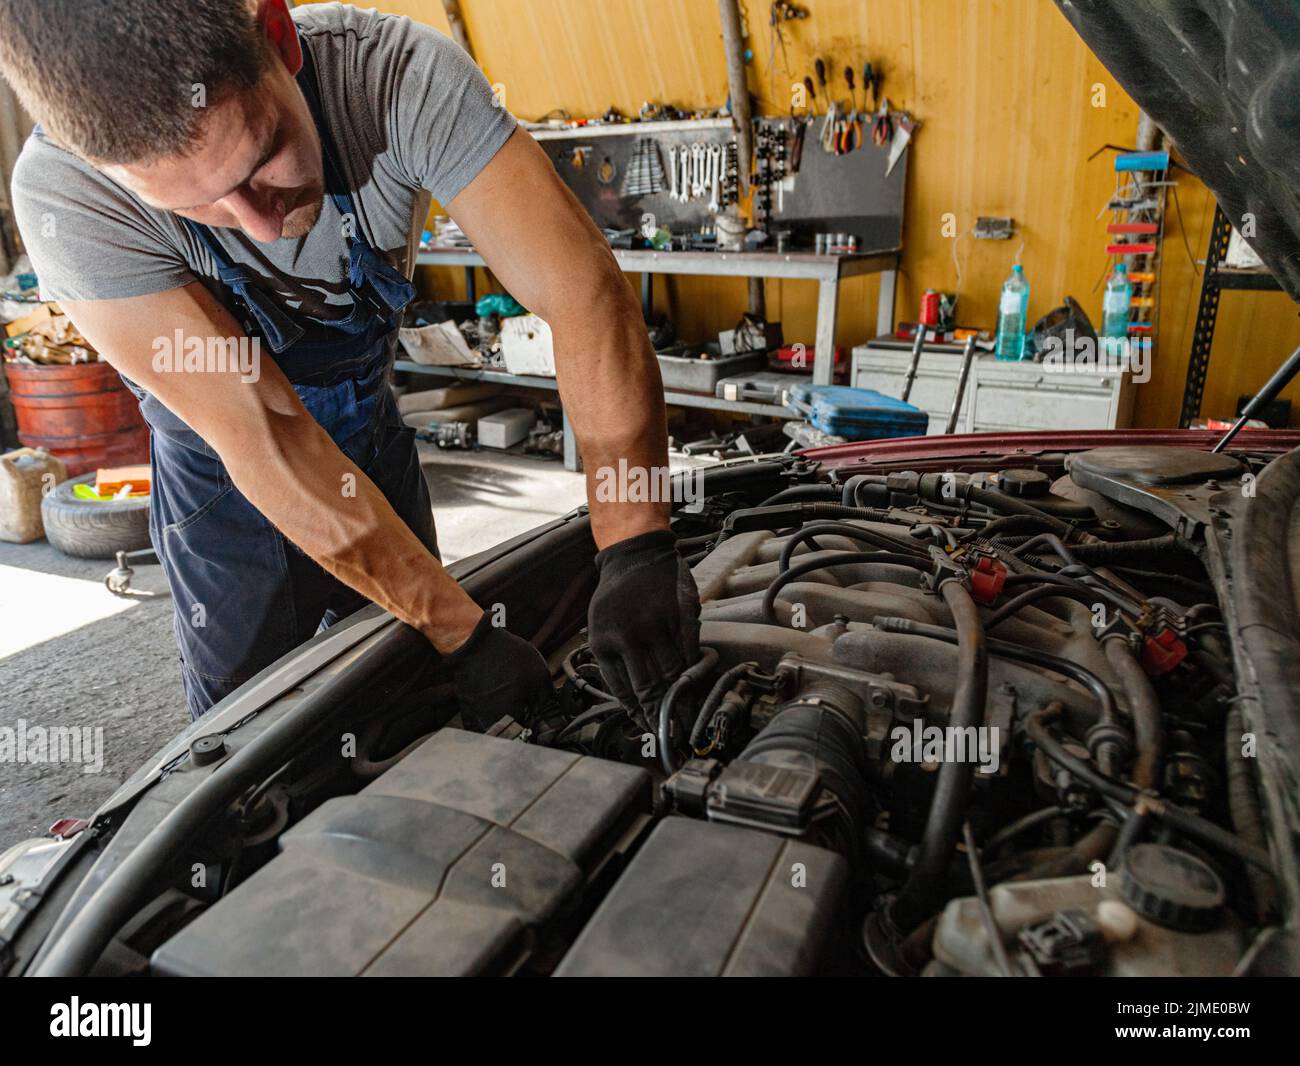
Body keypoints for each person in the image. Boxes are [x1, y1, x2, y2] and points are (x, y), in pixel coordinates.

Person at [0, 0, 699, 727]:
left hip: (369, 426)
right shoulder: (68, 197)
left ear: (275, 34)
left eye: (261, 159)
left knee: (424, 695)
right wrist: (466, 639)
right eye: (203, 207)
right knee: (258, 732)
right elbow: (269, 431)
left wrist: (634, 539)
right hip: (225, 480)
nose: (262, 224)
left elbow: (583, 293)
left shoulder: (392, 75)